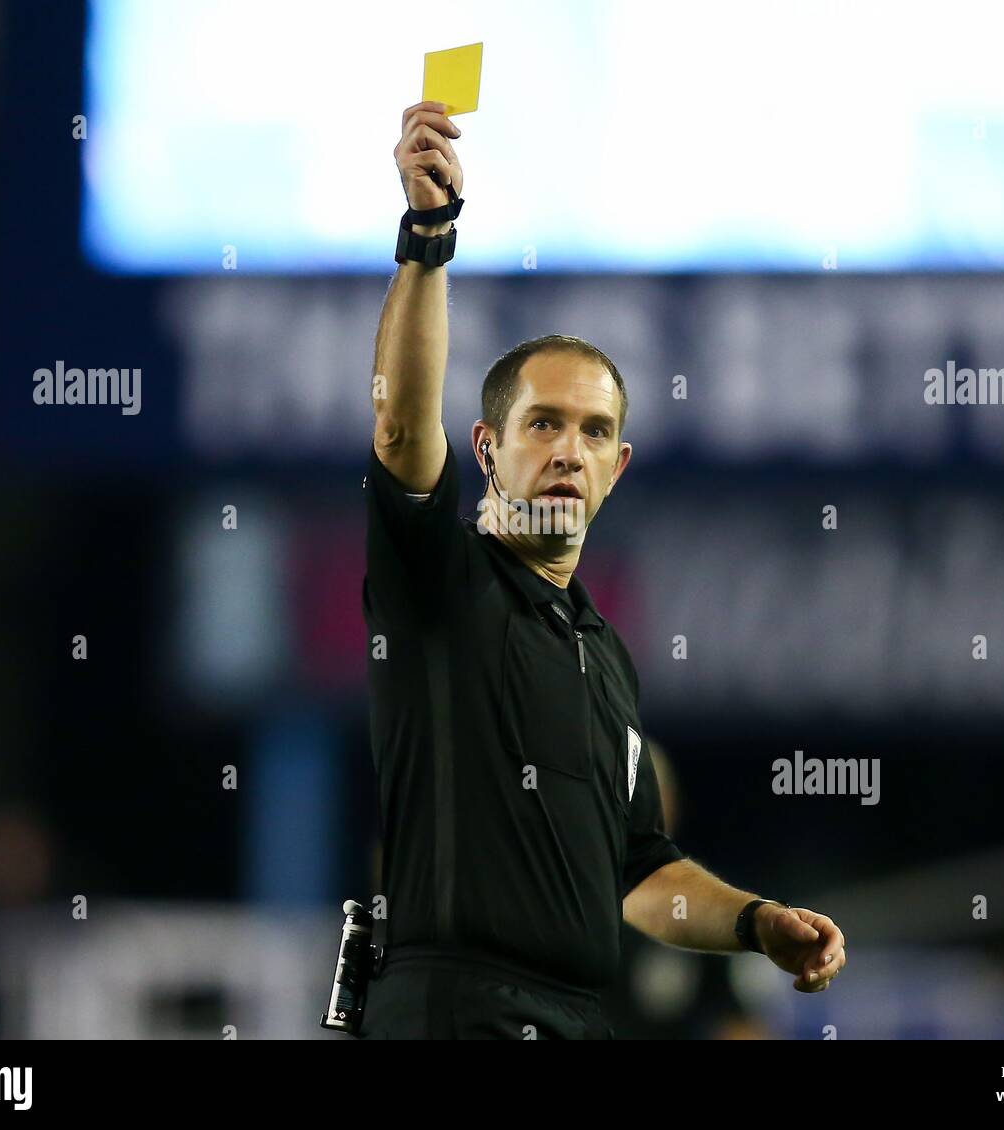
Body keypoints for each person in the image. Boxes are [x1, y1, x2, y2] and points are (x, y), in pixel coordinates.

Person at [358, 101, 846, 1040]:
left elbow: (639, 876)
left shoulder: (603, 654)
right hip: (456, 1016)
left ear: (618, 467)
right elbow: (398, 427)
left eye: (594, 432)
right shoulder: (442, 580)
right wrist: (427, 241)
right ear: (488, 449)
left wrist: (755, 924)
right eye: (543, 423)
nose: (569, 451)